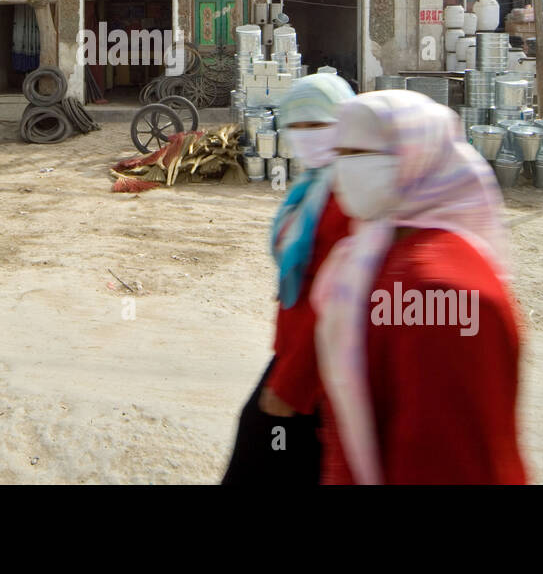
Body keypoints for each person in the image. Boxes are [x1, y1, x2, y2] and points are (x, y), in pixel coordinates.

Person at [312, 89, 526, 484]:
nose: (343, 169)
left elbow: (447, 460)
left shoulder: (443, 290)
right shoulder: (371, 253)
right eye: (340, 153)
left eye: (360, 155)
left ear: (416, 158)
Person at [222, 73, 356, 485]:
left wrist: (293, 384)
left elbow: (340, 304)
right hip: (294, 352)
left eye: (317, 124)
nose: (305, 136)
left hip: (316, 370)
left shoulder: (350, 196)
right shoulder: (313, 186)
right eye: (296, 126)